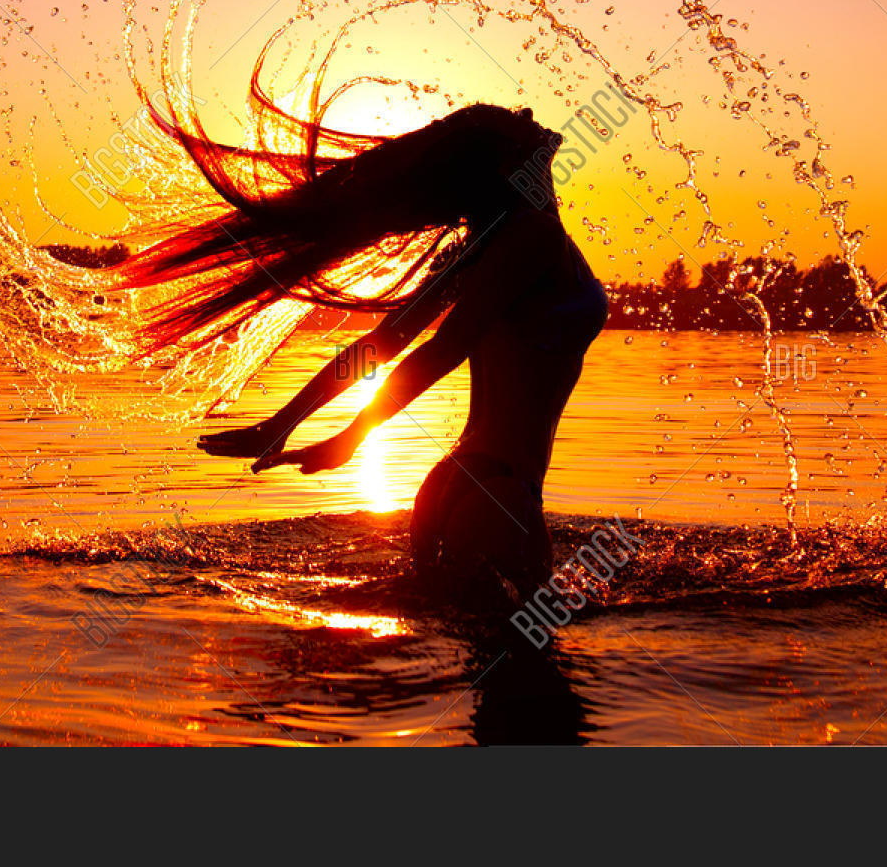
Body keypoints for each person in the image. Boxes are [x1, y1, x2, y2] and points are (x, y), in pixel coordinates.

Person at [120, 99, 607, 604]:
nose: (537, 126)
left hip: (458, 487)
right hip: (502, 495)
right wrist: (351, 435)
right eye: (522, 132)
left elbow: (380, 345)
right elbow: (442, 349)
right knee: (524, 666)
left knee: (474, 658)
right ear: (507, 165)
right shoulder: (535, 238)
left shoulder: (479, 250)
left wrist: (284, 423)